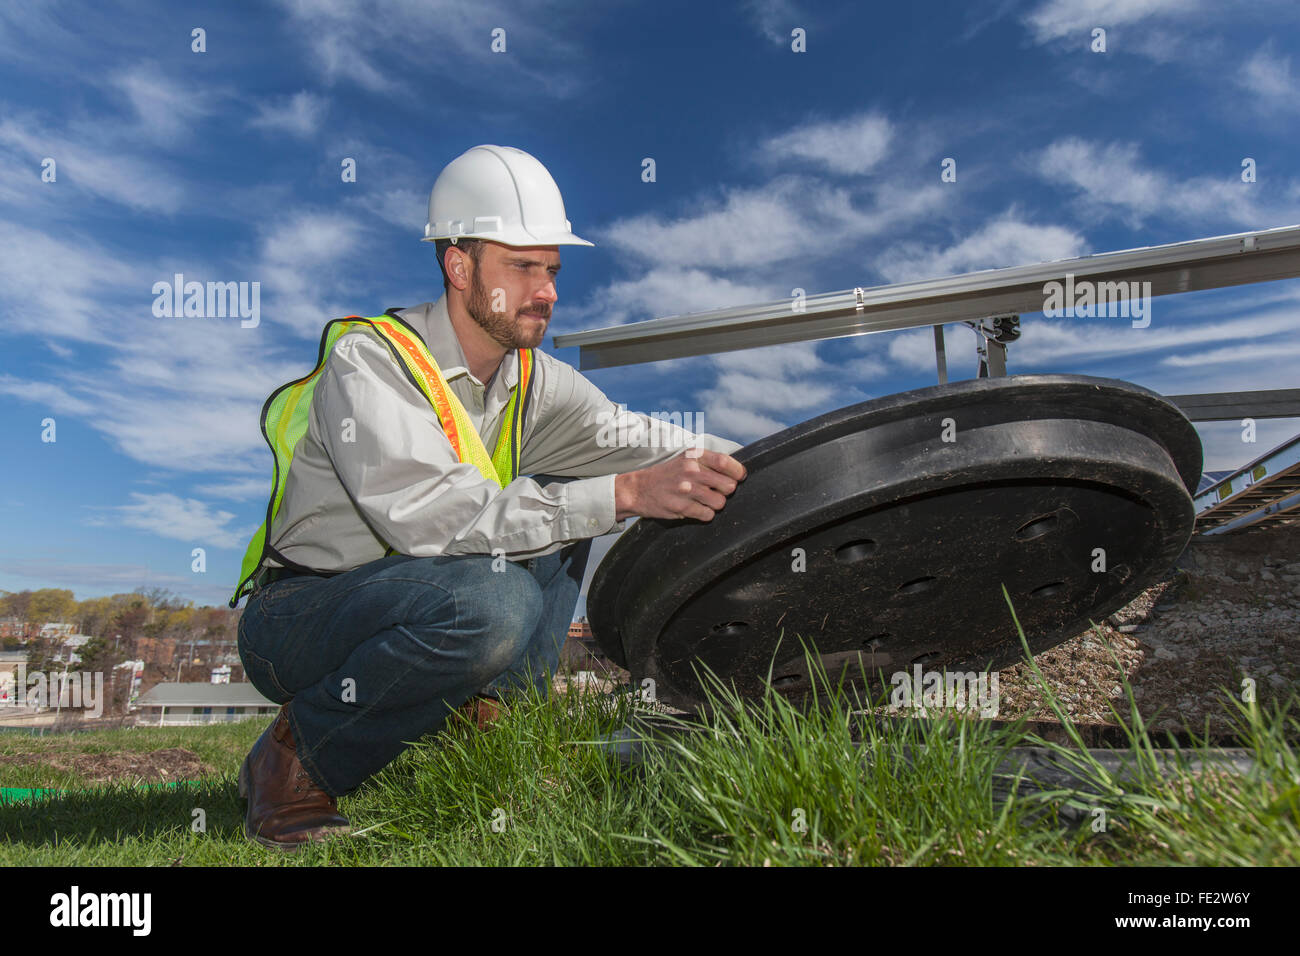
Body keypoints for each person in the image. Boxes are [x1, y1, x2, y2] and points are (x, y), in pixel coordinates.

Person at [232, 145, 747, 850]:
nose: (548, 291)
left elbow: (643, 441)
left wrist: (767, 466)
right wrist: (625, 494)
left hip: (423, 593)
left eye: (553, 269)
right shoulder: (372, 362)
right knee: (494, 598)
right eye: (524, 267)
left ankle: (483, 742)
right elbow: (435, 521)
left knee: (567, 494)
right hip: (302, 615)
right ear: (460, 266)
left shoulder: (536, 382)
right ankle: (293, 762)